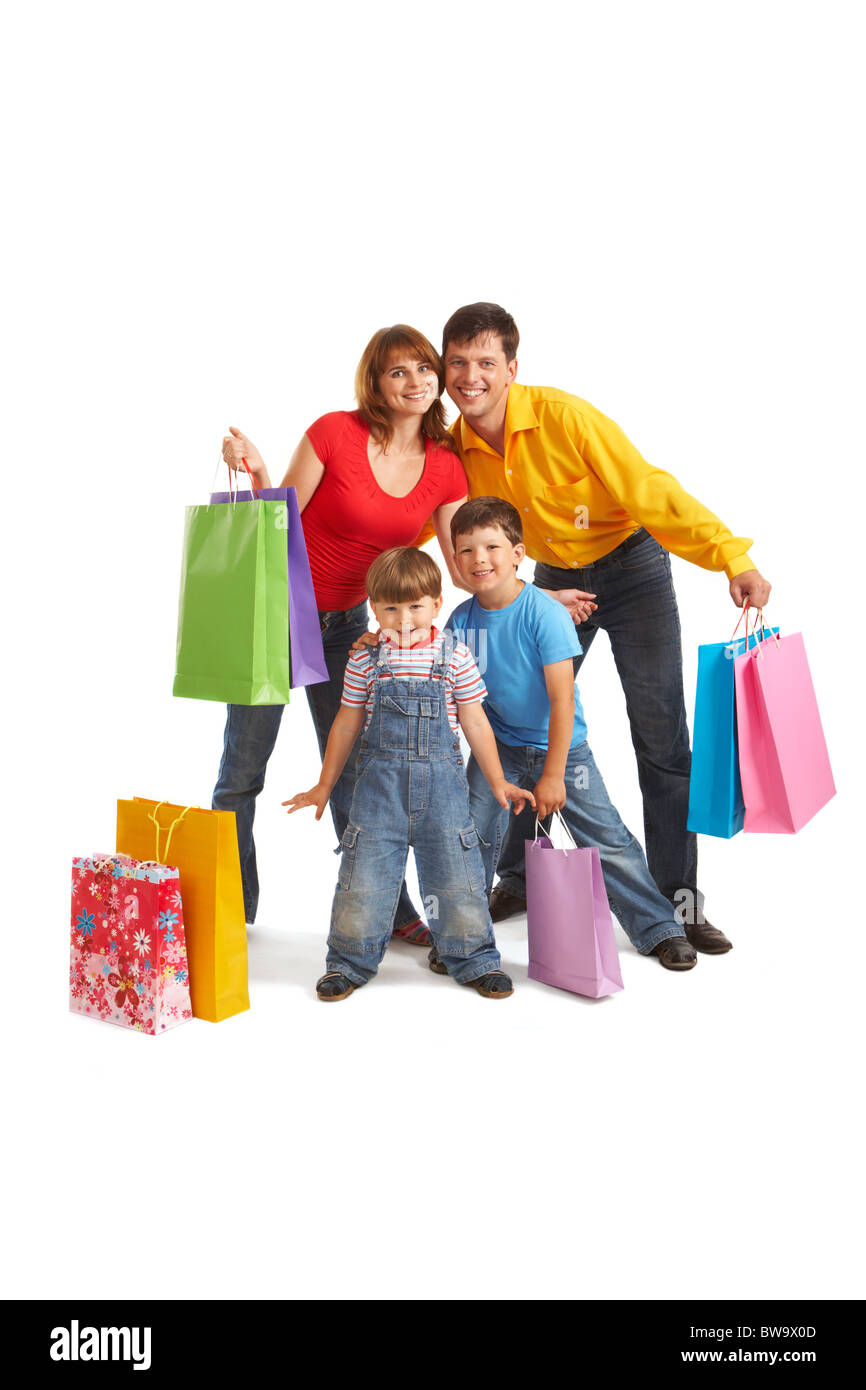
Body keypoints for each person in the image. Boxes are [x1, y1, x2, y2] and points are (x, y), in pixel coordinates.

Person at [440, 302, 773, 954]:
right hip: (549, 581)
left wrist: (730, 555)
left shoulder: (565, 417)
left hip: (634, 571)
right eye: (459, 362)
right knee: (517, 725)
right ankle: (518, 875)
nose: (470, 375)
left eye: (486, 362)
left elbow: (649, 490)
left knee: (663, 741)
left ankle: (681, 903)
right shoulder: (456, 447)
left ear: (512, 367)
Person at [213, 325, 472, 945]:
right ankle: (228, 904)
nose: (415, 382)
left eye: (423, 369)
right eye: (397, 372)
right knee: (243, 771)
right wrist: (256, 469)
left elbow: (464, 565)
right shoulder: (335, 432)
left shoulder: (444, 467)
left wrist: (533, 586)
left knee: (361, 771)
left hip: (352, 632)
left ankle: (388, 908)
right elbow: (279, 518)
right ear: (376, 384)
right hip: (279, 615)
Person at [438, 497, 695, 971]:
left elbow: (561, 700)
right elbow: (460, 698)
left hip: (564, 751)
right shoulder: (461, 622)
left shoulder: (544, 614)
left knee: (607, 840)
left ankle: (660, 926)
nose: (479, 559)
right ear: (454, 560)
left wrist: (553, 774)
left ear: (518, 553)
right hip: (500, 750)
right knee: (469, 833)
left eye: (491, 546)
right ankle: (461, 935)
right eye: (466, 550)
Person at [283, 547, 534, 1000]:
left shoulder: (454, 657)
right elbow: (346, 722)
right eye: (390, 608)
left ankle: (474, 958)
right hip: (378, 797)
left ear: (437, 604)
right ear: (373, 608)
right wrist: (324, 784)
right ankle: (348, 961)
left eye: (416, 606)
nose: (404, 618)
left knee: (457, 880)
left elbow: (476, 721)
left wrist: (497, 780)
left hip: (444, 796)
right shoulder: (365, 660)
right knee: (363, 880)